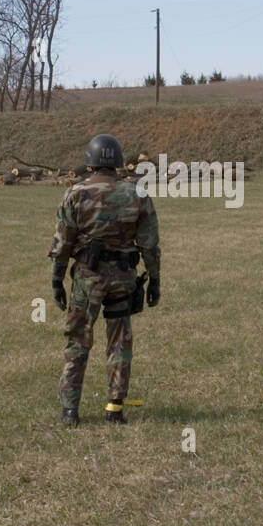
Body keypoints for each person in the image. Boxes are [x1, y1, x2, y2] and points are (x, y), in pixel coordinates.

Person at [48, 134, 161, 426]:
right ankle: (114, 408)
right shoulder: (137, 193)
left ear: (91, 160)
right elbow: (149, 244)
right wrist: (155, 282)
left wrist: (57, 281)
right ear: (119, 161)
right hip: (123, 280)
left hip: (88, 280)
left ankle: (70, 410)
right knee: (119, 343)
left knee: (78, 342)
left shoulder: (76, 193)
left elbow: (62, 245)